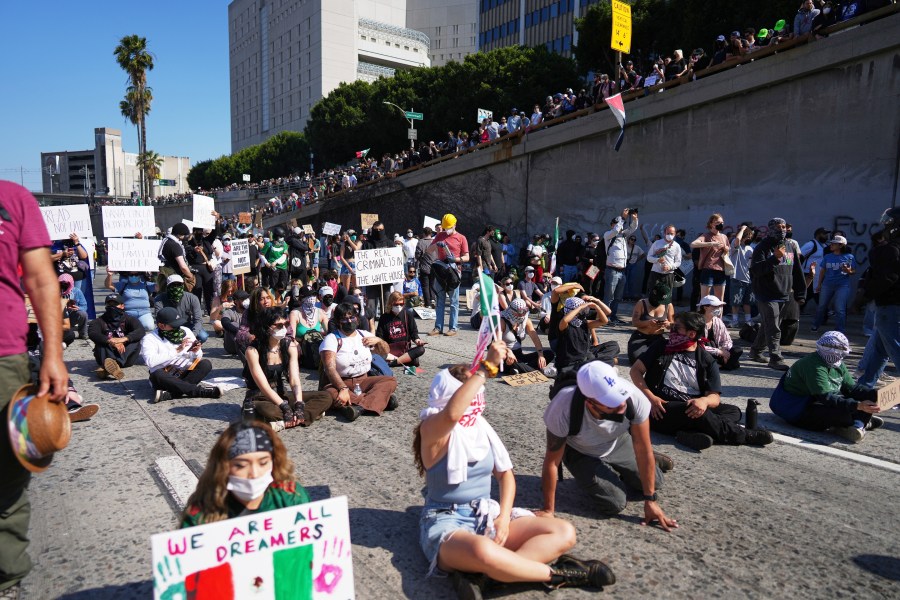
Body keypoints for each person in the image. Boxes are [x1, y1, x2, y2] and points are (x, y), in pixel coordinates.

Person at [416, 344, 615, 595]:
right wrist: (485, 368)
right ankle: (561, 574)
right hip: (446, 521)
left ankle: (492, 576)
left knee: (563, 532)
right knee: (482, 551)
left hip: (485, 514)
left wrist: (503, 519)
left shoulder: (480, 427)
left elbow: (505, 475)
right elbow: (453, 414)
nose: (478, 396)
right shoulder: (432, 428)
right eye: (471, 391)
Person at [0, 181, 69, 599]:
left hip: (4, 359)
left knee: (7, 476)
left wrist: (53, 355)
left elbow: (43, 282)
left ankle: (5, 580)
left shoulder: (13, 200)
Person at [541, 361, 677, 528]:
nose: (621, 403)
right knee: (614, 503)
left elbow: (643, 449)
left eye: (620, 395)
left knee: (655, 483)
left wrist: (650, 500)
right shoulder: (563, 407)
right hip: (580, 450)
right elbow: (552, 462)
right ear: (589, 403)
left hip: (616, 441)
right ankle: (611, 470)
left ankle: (637, 463)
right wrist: (548, 510)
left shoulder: (635, 398)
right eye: (611, 402)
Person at [630, 312, 773, 451]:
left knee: (733, 411)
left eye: (676, 328)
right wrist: (651, 398)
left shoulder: (706, 360)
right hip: (660, 408)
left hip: (690, 406)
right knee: (701, 415)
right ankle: (746, 436)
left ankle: (689, 433)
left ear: (691, 334)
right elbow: (635, 371)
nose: (671, 330)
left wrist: (704, 402)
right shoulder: (661, 346)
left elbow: (715, 397)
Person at [181, 421, 310, 527]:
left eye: (263, 463)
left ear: (274, 463)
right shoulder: (200, 516)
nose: (254, 474)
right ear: (224, 468)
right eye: (241, 465)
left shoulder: (291, 496)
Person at [770, 331, 882, 443]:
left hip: (813, 402)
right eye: (830, 347)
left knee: (869, 399)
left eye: (839, 348)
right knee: (845, 412)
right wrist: (858, 406)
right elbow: (825, 397)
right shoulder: (813, 365)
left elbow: (852, 389)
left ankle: (857, 423)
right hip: (796, 408)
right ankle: (858, 423)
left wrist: (878, 394)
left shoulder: (838, 364)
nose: (834, 351)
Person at [242, 308, 333, 429]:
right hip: (260, 396)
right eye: (279, 325)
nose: (284, 328)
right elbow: (263, 386)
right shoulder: (252, 350)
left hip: (281, 393)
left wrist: (299, 404)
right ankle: (307, 415)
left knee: (325, 397)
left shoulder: (289, 345)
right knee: (267, 410)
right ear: (266, 327)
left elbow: (294, 380)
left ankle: (289, 420)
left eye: (286, 324)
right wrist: (283, 406)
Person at [320, 302, 399, 421]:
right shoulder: (332, 339)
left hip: (363, 380)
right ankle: (380, 401)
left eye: (351, 317)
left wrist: (378, 341)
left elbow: (385, 351)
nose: (349, 321)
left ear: (357, 319)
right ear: (337, 322)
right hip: (339, 382)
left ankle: (359, 408)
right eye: (344, 319)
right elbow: (330, 368)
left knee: (390, 381)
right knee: (330, 393)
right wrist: (343, 389)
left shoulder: (364, 335)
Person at [749, 218, 806, 371]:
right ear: (770, 229)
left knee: (770, 325)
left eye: (784, 227)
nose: (782, 229)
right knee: (773, 327)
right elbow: (756, 270)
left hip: (784, 293)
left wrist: (801, 293)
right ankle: (775, 358)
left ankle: (755, 351)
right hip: (766, 293)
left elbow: (796, 271)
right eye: (778, 227)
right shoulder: (762, 247)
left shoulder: (790, 246)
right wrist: (774, 258)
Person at [856, 207, 900, 391]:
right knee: (880, 350)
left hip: (890, 305)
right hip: (892, 305)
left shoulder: (890, 250)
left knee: (895, 348)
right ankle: (864, 386)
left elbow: (885, 278)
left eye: (888, 223)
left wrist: (863, 297)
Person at [141, 307, 220, 404]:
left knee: (206, 364)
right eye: (174, 326)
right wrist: (177, 351)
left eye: (179, 324)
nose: (178, 328)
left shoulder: (185, 330)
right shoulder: (149, 339)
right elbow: (150, 361)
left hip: (184, 372)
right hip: (166, 378)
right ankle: (199, 391)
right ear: (161, 326)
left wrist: (196, 351)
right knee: (157, 374)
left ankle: (171, 394)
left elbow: (197, 357)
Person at [427, 214, 469, 336]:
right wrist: (436, 244)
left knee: (453, 302)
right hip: (441, 270)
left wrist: (456, 259)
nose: (446, 230)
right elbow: (428, 251)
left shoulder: (461, 238)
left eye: (448, 227)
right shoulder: (440, 236)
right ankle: (438, 327)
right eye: (445, 228)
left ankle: (453, 328)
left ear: (455, 225)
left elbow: (467, 257)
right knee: (440, 299)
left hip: (454, 270)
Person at [87, 293, 145, 380]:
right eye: (109, 304)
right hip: (105, 355)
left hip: (126, 356)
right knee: (101, 342)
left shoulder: (129, 319)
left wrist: (123, 339)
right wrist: (110, 341)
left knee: (135, 340)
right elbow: (93, 333)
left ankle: (107, 368)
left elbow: (140, 331)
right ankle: (112, 366)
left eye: (115, 304)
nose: (112, 307)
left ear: (122, 306)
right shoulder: (99, 321)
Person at [556, 296, 619, 372]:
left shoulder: (584, 323)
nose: (584, 311)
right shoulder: (564, 325)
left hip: (585, 355)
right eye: (582, 310)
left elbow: (604, 321)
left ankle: (596, 362)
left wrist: (596, 307)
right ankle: (598, 364)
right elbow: (565, 320)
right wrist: (579, 308)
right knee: (609, 361)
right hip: (572, 361)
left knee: (613, 345)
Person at [812, 235, 855, 333]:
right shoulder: (827, 256)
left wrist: (849, 271)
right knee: (822, 306)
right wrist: (819, 284)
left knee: (840, 308)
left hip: (843, 285)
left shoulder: (849, 257)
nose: (831, 245)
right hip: (827, 285)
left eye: (834, 243)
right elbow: (822, 271)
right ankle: (815, 325)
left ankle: (840, 330)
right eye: (831, 243)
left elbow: (853, 271)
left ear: (841, 245)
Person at [498, 298, 555, 373]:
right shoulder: (502, 321)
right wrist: (508, 351)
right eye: (520, 312)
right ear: (512, 311)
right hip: (504, 355)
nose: (523, 314)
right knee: (513, 362)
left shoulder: (526, 321)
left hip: (519, 355)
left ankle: (519, 369)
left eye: (525, 311)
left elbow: (535, 338)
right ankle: (541, 372)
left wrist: (540, 355)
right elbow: (497, 343)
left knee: (549, 354)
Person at [603, 210, 639, 324]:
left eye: (622, 223)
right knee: (609, 296)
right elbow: (616, 230)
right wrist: (622, 219)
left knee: (618, 297)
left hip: (622, 271)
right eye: (618, 223)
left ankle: (613, 316)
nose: (621, 225)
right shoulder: (608, 234)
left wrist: (634, 219)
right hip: (612, 270)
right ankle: (605, 317)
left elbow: (632, 228)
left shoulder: (623, 236)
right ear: (612, 224)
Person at [627, 282, 674, 365]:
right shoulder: (641, 303)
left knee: (664, 360)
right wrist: (647, 323)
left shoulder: (668, 305)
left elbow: (674, 325)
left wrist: (668, 324)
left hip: (658, 338)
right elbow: (634, 322)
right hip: (641, 336)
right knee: (637, 360)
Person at [376, 292, 426, 367]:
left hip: (405, 350)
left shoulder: (407, 314)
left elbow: (413, 333)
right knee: (375, 355)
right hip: (390, 351)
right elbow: (380, 336)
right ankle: (404, 361)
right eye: (396, 304)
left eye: (401, 304)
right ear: (390, 304)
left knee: (421, 349)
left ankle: (394, 363)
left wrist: (418, 341)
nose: (399, 306)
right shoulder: (384, 317)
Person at [153, 274, 207, 343]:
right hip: (168, 326)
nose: (176, 287)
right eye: (173, 285)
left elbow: (198, 319)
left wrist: (192, 335)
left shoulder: (192, 298)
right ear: (168, 286)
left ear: (183, 285)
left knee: (203, 336)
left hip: (187, 325)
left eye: (179, 284)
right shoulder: (159, 298)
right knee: (157, 338)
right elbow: (159, 318)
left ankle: (192, 348)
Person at [691, 213, 729, 302]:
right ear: (711, 224)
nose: (721, 224)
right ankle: (704, 316)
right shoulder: (706, 235)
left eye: (722, 222)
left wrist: (726, 249)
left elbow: (727, 252)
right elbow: (693, 244)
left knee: (720, 300)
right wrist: (711, 243)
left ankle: (719, 316)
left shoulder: (724, 237)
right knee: (705, 299)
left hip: (721, 270)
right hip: (708, 269)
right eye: (718, 222)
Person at [698, 295, 742, 370]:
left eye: (719, 306)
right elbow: (697, 345)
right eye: (715, 307)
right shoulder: (697, 322)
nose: (718, 309)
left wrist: (724, 350)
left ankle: (718, 364)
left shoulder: (717, 321)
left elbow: (727, 339)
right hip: (703, 351)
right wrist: (719, 352)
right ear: (705, 307)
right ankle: (721, 364)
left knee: (737, 350)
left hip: (717, 350)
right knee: (705, 348)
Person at [729, 224, 756, 328]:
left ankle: (748, 320)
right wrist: (743, 229)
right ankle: (735, 321)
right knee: (735, 301)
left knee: (747, 301)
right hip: (737, 277)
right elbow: (737, 240)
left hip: (748, 279)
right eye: (748, 236)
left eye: (751, 237)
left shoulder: (750, 248)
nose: (750, 238)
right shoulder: (736, 245)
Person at [157, 222, 195, 291]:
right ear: (180, 235)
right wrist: (191, 276)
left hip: (165, 276)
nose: (185, 237)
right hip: (174, 279)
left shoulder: (166, 241)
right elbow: (183, 266)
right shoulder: (175, 245)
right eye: (185, 235)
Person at [645, 225, 682, 293]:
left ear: (675, 234)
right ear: (664, 233)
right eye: (668, 233)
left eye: (671, 234)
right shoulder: (657, 243)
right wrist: (657, 260)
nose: (669, 235)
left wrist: (670, 267)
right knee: (653, 297)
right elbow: (649, 258)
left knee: (666, 298)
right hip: (655, 273)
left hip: (668, 275)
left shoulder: (677, 246)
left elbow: (678, 262)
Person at [57, 273, 89, 340]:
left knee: (83, 314)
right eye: (61, 284)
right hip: (59, 318)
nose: (63, 286)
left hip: (72, 316)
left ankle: (83, 333)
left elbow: (84, 306)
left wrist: (78, 308)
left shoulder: (76, 291)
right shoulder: (54, 291)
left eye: (66, 284)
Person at [221, 289, 249, 356]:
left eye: (247, 298)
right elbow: (225, 323)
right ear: (236, 301)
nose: (246, 301)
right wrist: (241, 332)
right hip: (231, 346)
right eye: (243, 299)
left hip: (248, 341)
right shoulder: (229, 312)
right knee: (234, 324)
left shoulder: (251, 311)